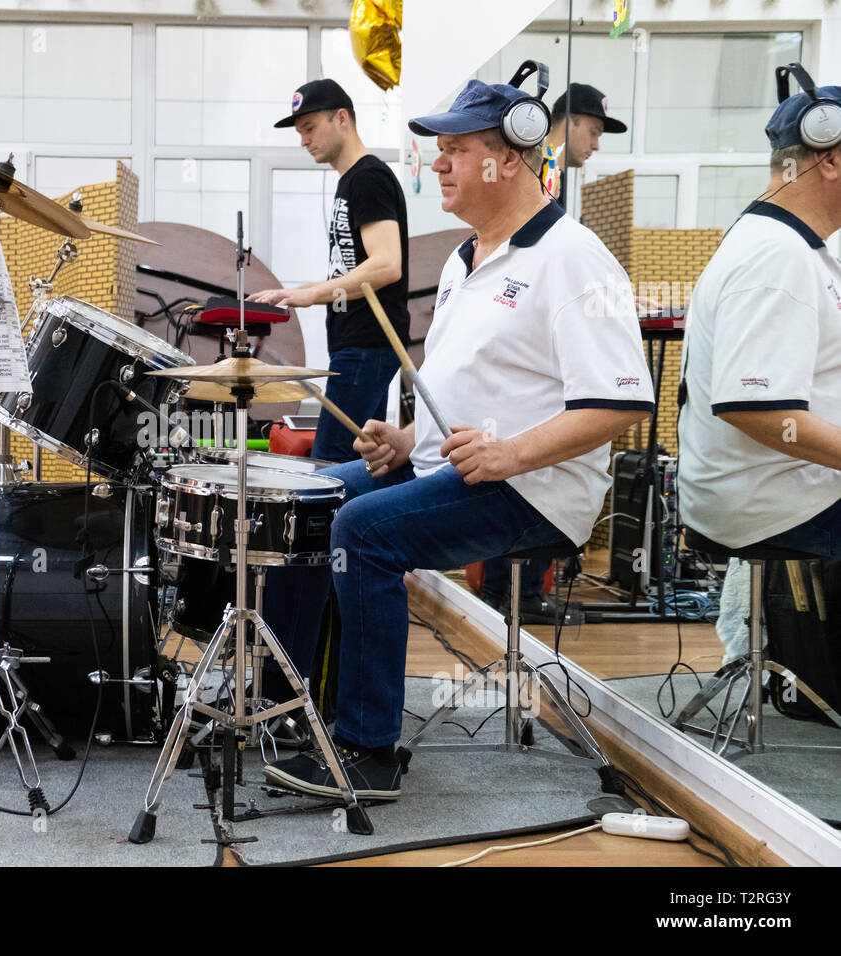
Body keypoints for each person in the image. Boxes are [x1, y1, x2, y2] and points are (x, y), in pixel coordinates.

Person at [260, 77, 653, 800]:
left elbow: (621, 403)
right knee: (303, 499)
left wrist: (509, 453)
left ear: (508, 159)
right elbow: (465, 388)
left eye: (456, 150)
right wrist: (408, 438)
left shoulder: (574, 256)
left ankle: (368, 750)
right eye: (439, 151)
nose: (438, 164)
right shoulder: (463, 260)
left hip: (532, 486)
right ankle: (283, 710)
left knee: (363, 529)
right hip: (455, 469)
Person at [677, 67, 841, 561]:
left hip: (777, 490)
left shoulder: (789, 246)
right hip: (777, 505)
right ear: (830, 159)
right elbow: (755, 407)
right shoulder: (778, 255)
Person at [480, 81, 629, 620]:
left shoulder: (556, 178)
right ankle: (514, 591)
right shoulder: (546, 173)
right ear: (560, 123)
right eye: (593, 128)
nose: (597, 143)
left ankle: (510, 589)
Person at [247, 78, 410, 463]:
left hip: (367, 343)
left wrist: (311, 295)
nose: (303, 140)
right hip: (359, 345)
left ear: (342, 118)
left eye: (309, 128)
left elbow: (387, 265)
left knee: (330, 461)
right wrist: (292, 292)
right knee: (364, 459)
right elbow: (352, 269)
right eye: (300, 132)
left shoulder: (368, 178)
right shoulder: (351, 181)